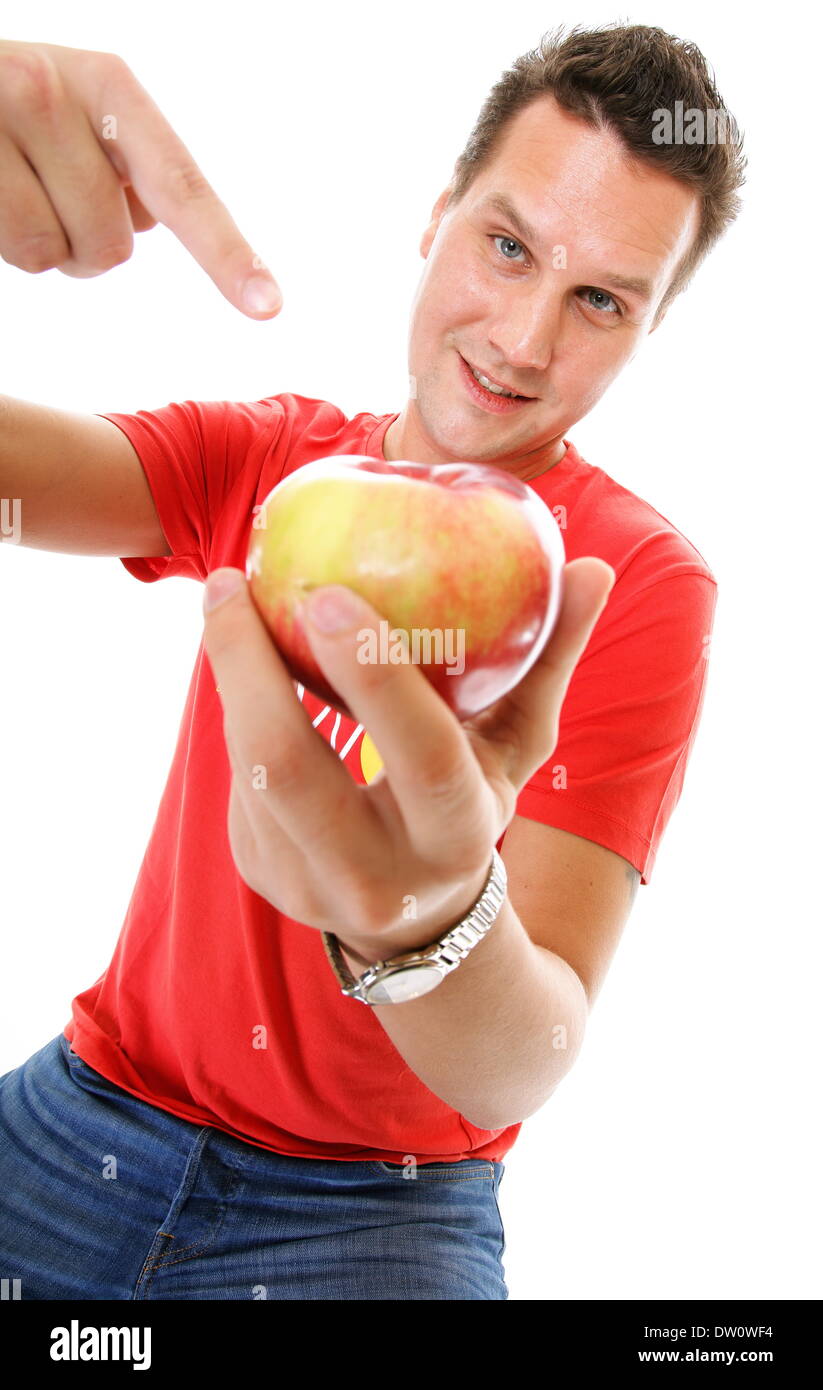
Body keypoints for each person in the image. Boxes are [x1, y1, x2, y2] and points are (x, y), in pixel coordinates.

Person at [0, 23, 745, 1300]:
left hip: (372, 1214)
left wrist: (429, 919)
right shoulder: (279, 468)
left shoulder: (622, 581)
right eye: (507, 245)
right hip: (81, 1128)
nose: (520, 338)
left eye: (599, 299)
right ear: (438, 213)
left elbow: (527, 1054)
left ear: (646, 328)